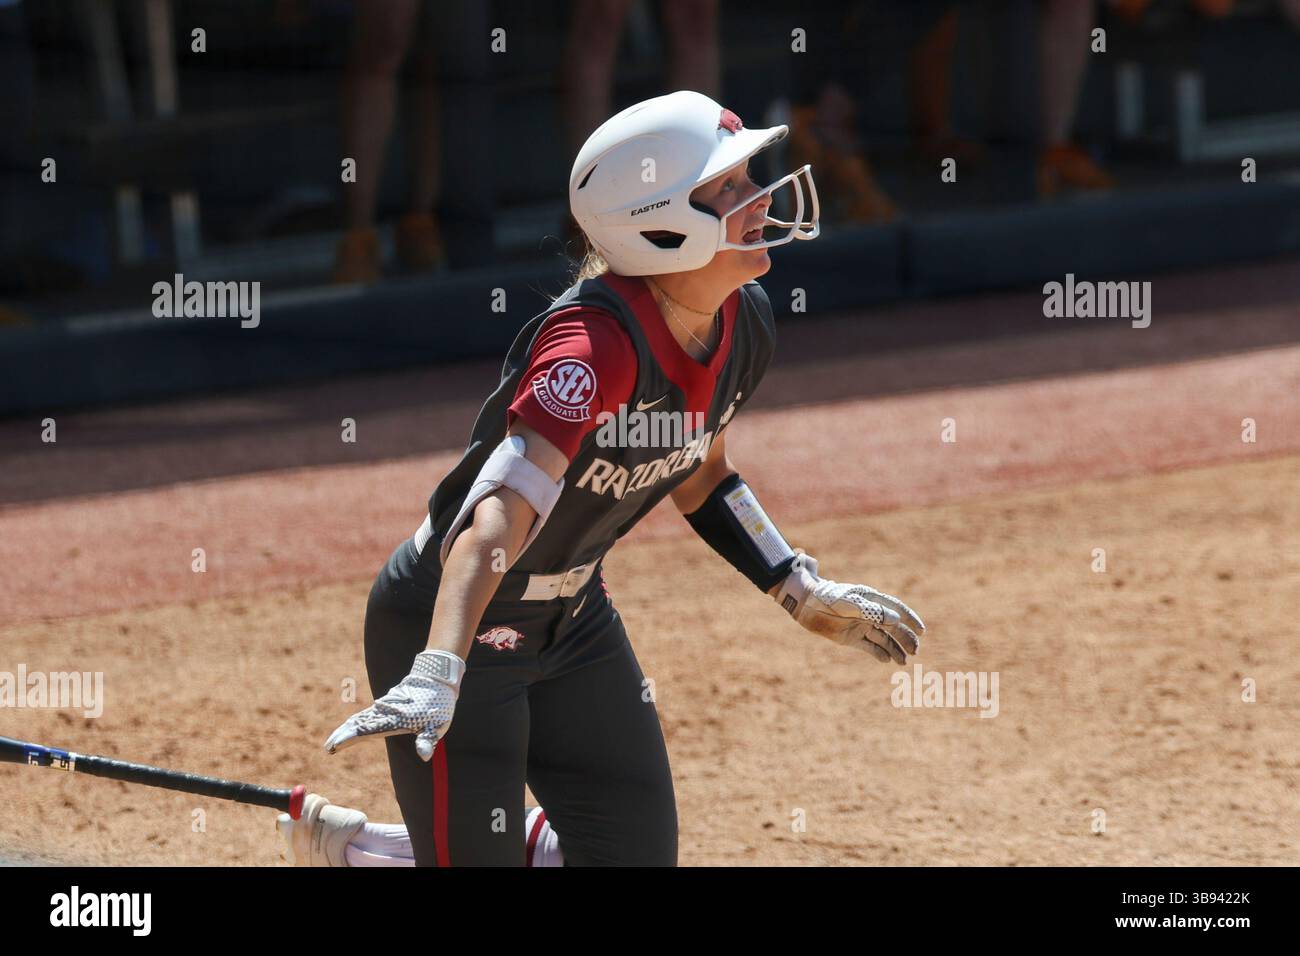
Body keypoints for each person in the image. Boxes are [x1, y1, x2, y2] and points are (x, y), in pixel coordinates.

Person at [286, 91, 925, 867]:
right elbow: (501, 510)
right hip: (458, 616)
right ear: (657, 221)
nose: (758, 197)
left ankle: (376, 852)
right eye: (726, 187)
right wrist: (439, 666)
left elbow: (702, 473)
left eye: (748, 176)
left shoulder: (743, 319)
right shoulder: (594, 348)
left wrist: (794, 585)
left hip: (573, 615)